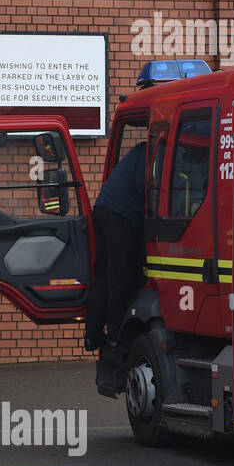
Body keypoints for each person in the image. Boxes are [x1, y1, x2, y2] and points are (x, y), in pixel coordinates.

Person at [85, 140, 147, 352]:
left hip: (103, 210)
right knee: (120, 278)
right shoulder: (153, 151)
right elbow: (143, 184)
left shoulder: (141, 149)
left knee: (103, 276)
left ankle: (92, 334)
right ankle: (115, 335)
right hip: (119, 217)